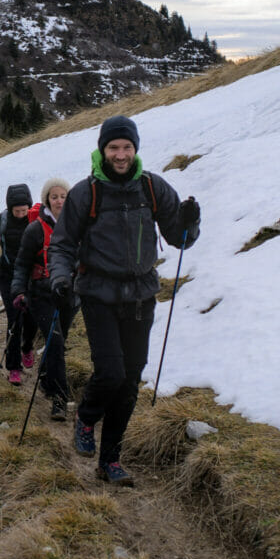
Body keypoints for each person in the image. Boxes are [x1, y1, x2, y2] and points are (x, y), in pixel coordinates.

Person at [48, 115, 200, 486]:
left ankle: (110, 460)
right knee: (111, 372)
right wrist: (61, 277)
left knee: (130, 382)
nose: (120, 154)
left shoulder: (152, 187)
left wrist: (189, 223)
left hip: (141, 296)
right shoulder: (86, 193)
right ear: (103, 150)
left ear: (135, 149)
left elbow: (179, 238)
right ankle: (86, 417)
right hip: (98, 293)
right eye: (114, 147)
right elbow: (62, 244)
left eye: (127, 147)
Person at [10, 178, 76, 421]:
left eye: (63, 196)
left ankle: (47, 378)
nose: (59, 201)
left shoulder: (78, 225)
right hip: (42, 295)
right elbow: (22, 264)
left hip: (70, 295)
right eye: (54, 196)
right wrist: (19, 291)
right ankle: (60, 399)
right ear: (47, 199)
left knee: (59, 340)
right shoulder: (35, 230)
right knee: (55, 342)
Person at [0, 184, 37, 385]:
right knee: (15, 320)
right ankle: (13, 367)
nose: (21, 214)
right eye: (17, 211)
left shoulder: (36, 219)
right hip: (8, 276)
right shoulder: (1, 220)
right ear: (10, 207)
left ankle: (27, 347)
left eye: (24, 210)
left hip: (31, 277)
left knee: (32, 319)